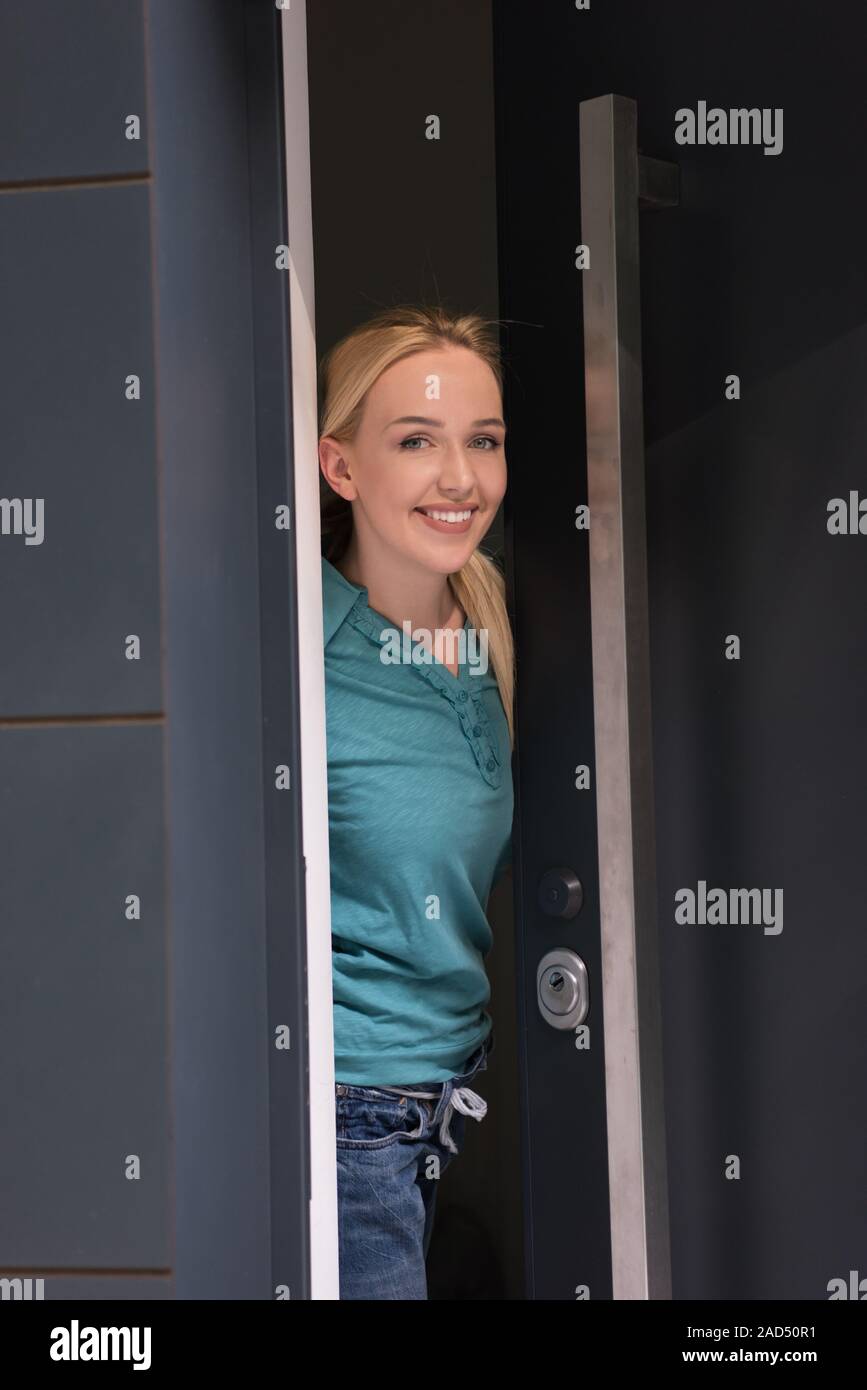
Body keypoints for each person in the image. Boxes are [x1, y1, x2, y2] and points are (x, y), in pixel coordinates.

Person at [318, 303, 515, 1299]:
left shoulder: (495, 626)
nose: (460, 478)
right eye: (416, 441)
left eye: (483, 441)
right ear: (341, 467)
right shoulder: (302, 644)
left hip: (442, 1111)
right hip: (352, 1126)